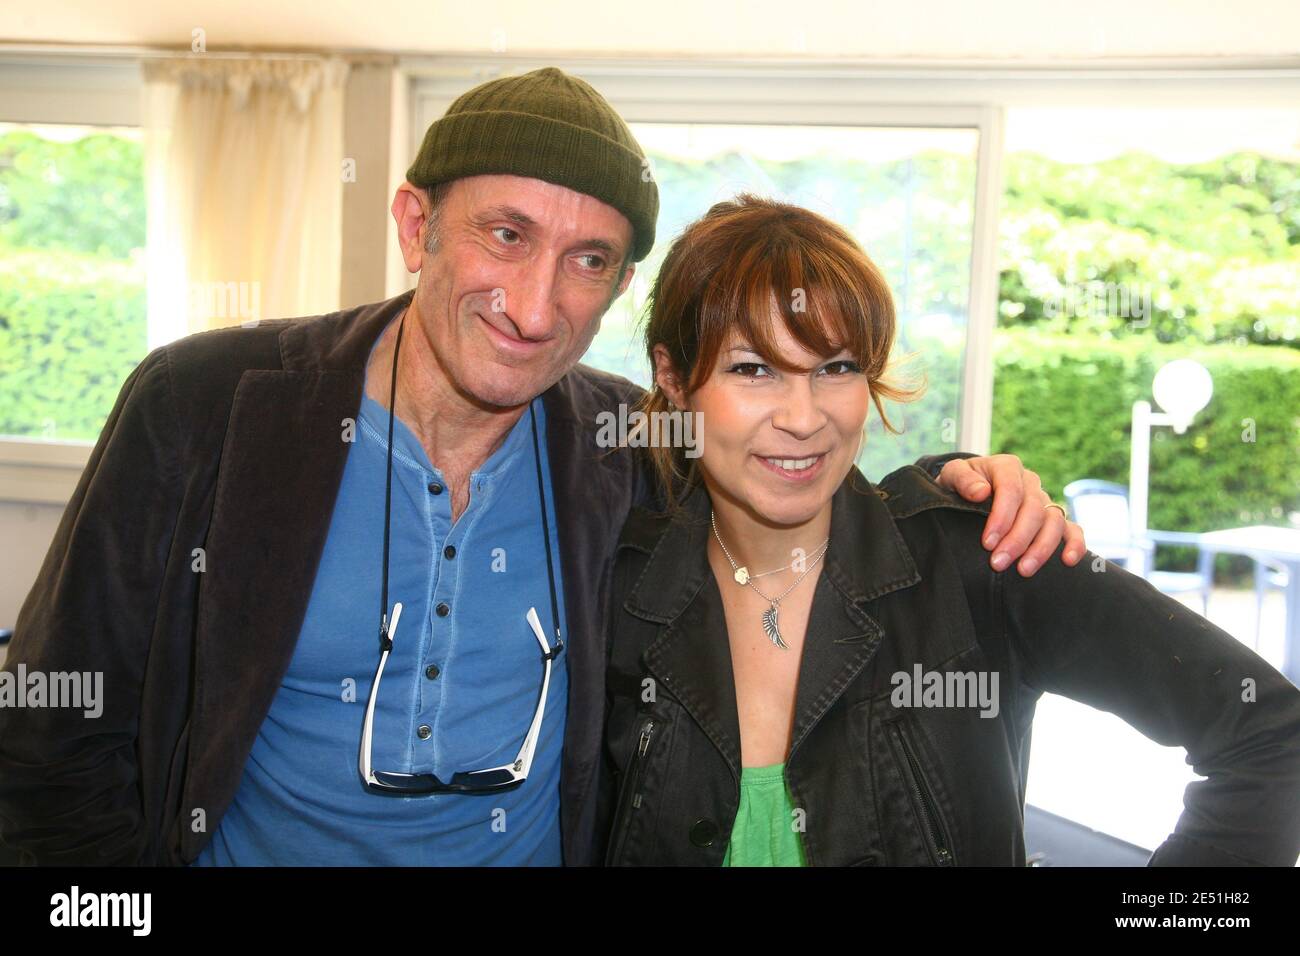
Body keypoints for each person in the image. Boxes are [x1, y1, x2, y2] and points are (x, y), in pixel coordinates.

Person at [0, 68, 1083, 867]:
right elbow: (53, 735)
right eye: (505, 234)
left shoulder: (626, 444)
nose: (534, 305)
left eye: (588, 261)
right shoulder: (207, 403)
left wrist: (961, 482)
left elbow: (790, 469)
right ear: (416, 224)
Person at [599, 193, 1300, 867]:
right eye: (753, 369)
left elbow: (1271, 735)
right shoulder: (614, 588)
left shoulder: (985, 559)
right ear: (675, 378)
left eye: (837, 368)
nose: (804, 416)